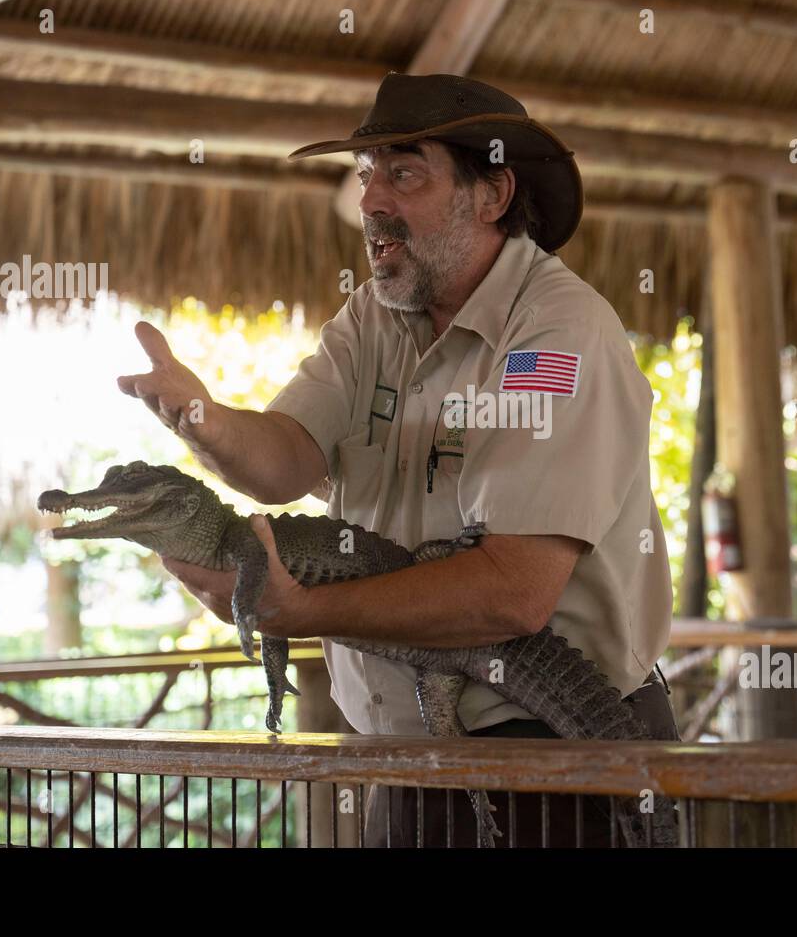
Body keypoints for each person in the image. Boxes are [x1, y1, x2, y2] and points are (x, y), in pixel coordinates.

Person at [117, 72, 678, 847]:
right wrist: (201, 418)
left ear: (492, 194)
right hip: (408, 756)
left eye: (404, 173)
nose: (370, 200)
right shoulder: (372, 316)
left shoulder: (557, 330)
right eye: (365, 174)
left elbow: (513, 592)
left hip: (555, 752)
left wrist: (299, 613)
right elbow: (284, 462)